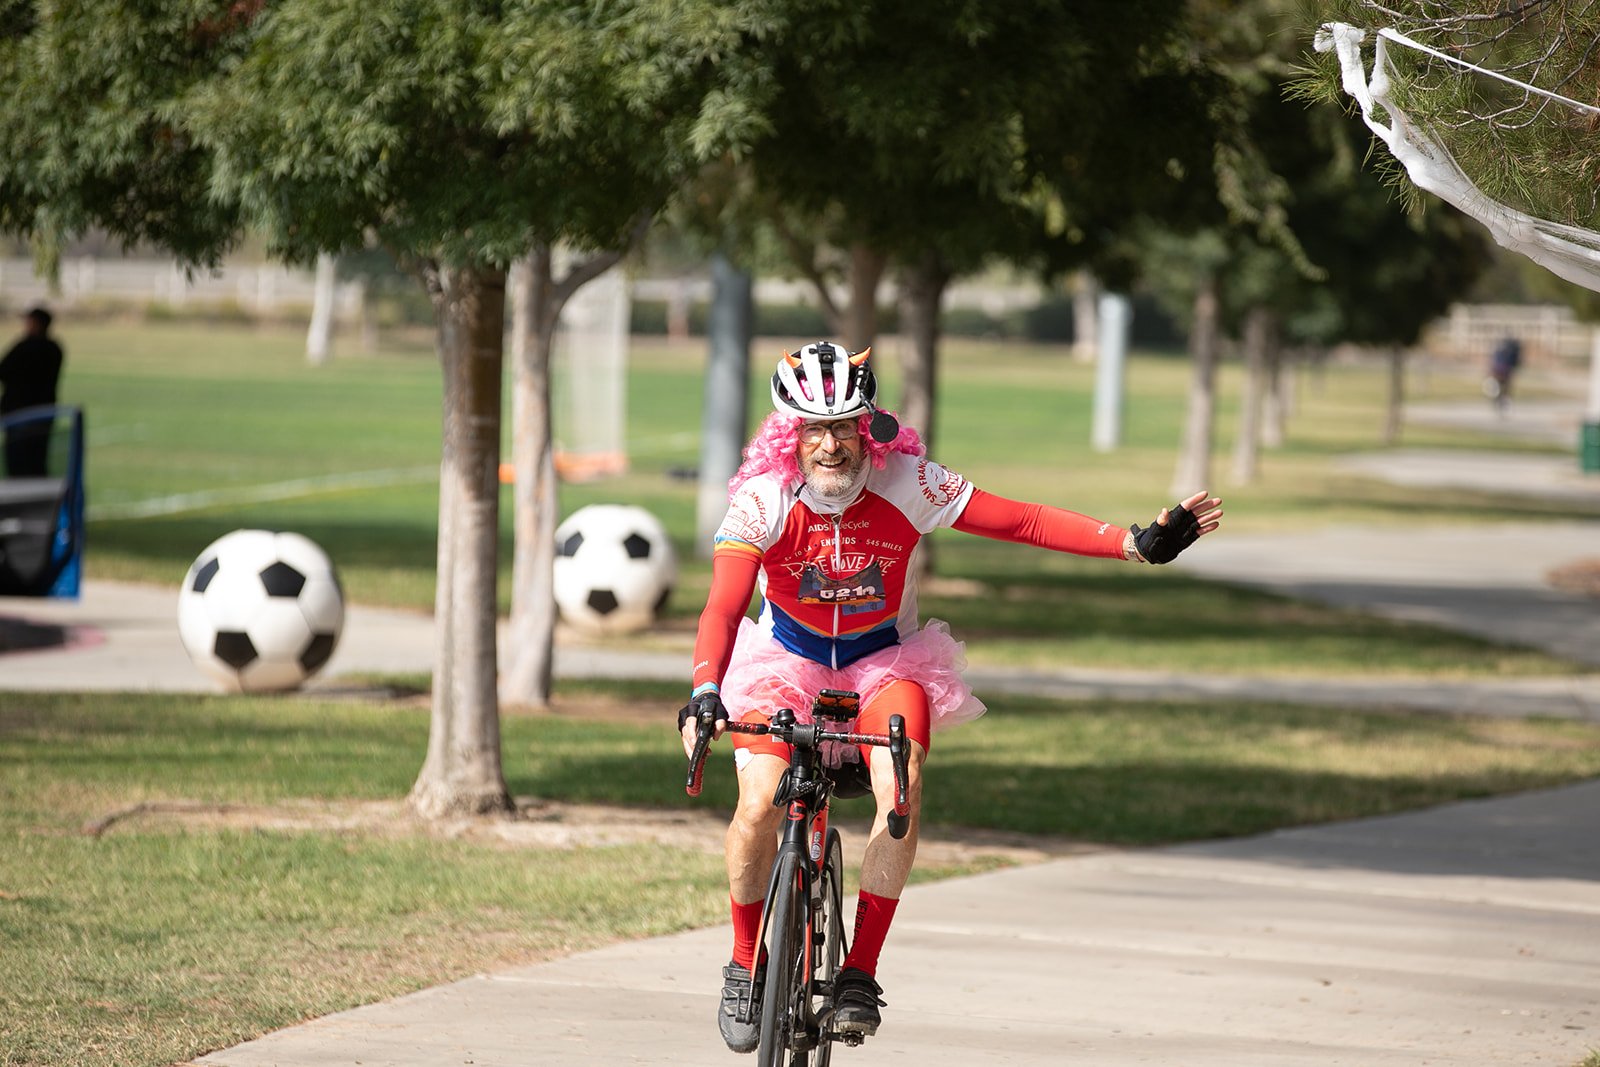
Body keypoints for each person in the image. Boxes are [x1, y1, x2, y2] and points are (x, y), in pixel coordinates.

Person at [678, 341, 1223, 1053]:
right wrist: (706, 691)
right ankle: (747, 962)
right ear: (790, 431)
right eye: (814, 427)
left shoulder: (908, 481)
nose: (831, 444)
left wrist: (1132, 543)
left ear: (867, 424)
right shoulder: (762, 499)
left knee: (899, 787)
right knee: (757, 802)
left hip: (884, 663)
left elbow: (1020, 520)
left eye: (844, 424)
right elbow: (723, 605)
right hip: (784, 661)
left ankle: (858, 975)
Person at [0, 306, 66, 477]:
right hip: (44, 412)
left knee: (18, 463)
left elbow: (4, 371)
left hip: (19, 414)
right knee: (37, 460)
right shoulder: (55, 349)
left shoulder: (24, 347)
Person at [1485, 335, 1521, 414]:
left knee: (1504, 390)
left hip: (1502, 373)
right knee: (1503, 390)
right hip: (1502, 373)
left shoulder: (1503, 351)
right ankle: (1501, 403)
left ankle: (1502, 403)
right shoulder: (1507, 352)